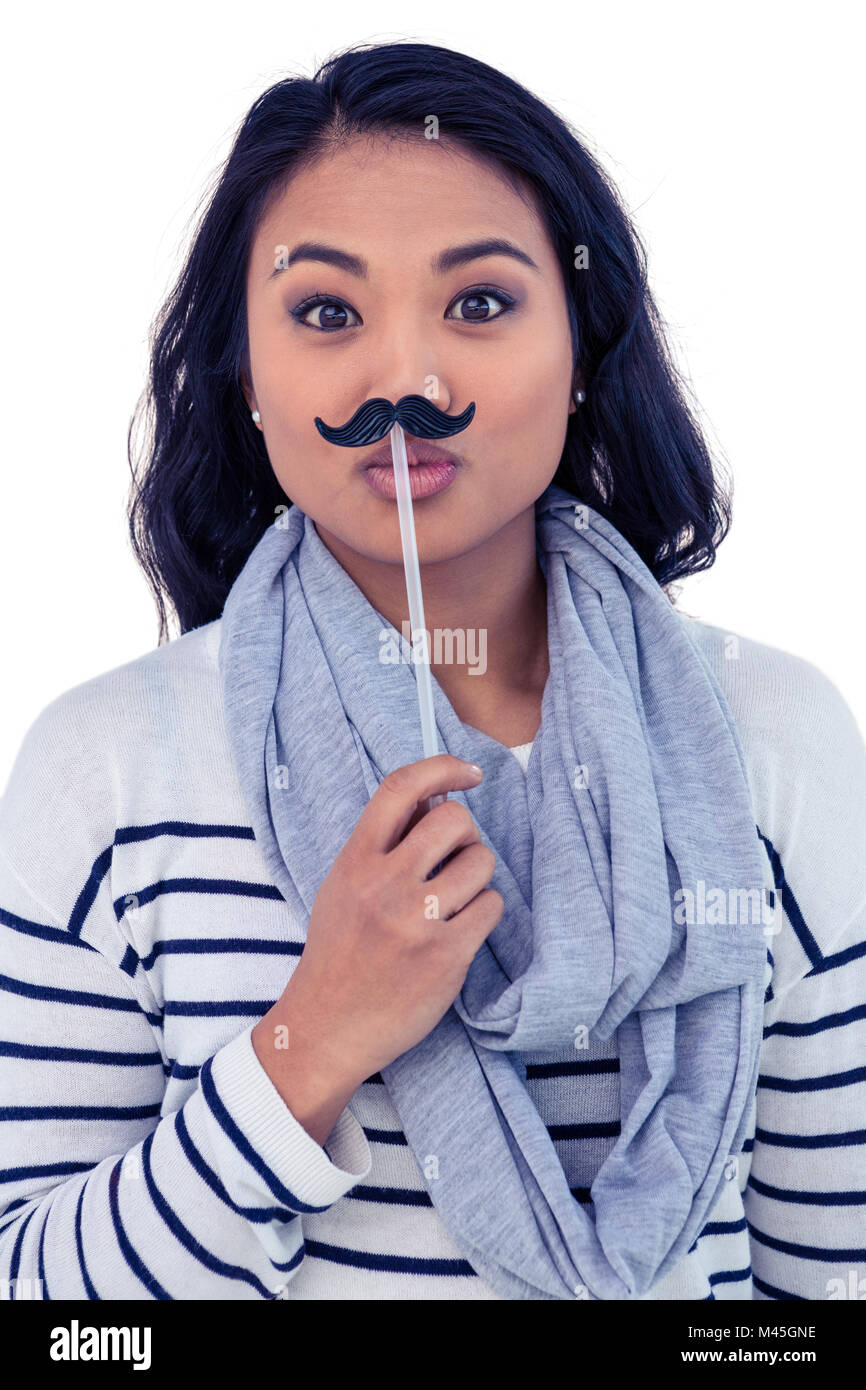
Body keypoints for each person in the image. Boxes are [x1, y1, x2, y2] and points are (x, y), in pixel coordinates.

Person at [1, 39, 864, 1302]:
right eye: (325, 312)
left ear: (580, 349)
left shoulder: (773, 738)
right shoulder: (107, 771)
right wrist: (317, 1037)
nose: (402, 381)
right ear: (247, 369)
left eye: (477, 303)